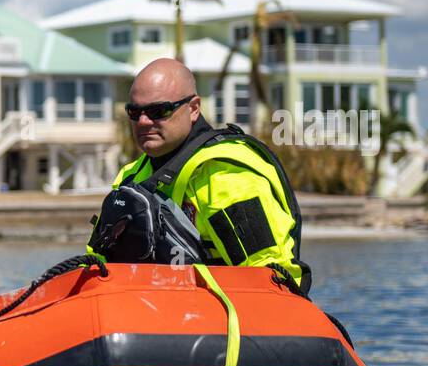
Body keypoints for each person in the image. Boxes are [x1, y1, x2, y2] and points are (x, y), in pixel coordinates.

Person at [87, 58, 311, 292]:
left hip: (219, 323)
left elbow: (269, 279)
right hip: (151, 318)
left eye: (158, 111)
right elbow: (96, 264)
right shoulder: (131, 177)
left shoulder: (225, 174)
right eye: (134, 112)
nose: (143, 121)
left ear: (193, 108)